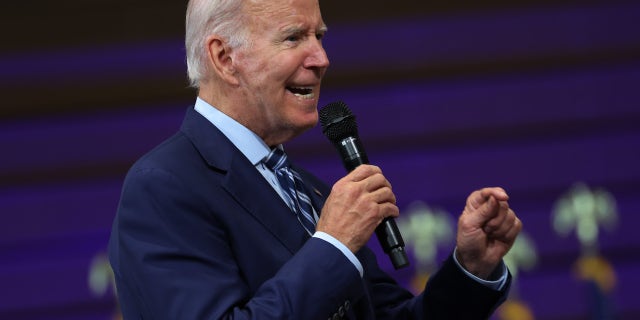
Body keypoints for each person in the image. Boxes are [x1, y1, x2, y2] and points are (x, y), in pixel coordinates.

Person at [107, 0, 523, 319]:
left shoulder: (308, 190)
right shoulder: (163, 186)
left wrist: (470, 269)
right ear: (224, 58)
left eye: (319, 36)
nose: (321, 59)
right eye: (294, 38)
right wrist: (332, 245)